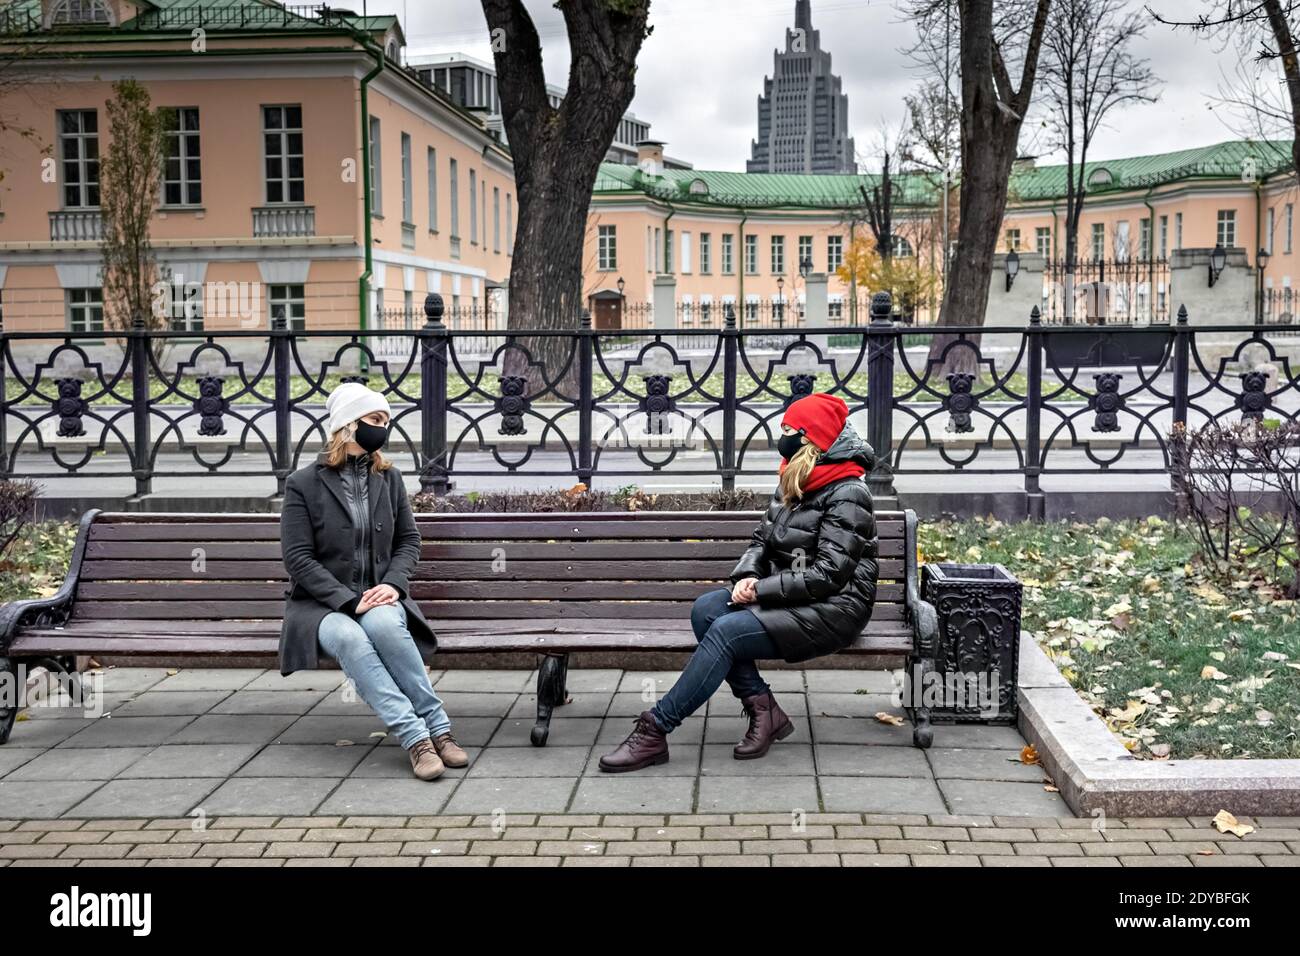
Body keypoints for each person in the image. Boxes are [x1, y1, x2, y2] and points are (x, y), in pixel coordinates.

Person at [598, 392, 879, 772]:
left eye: (789, 429)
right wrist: (747, 575)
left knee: (727, 631)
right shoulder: (794, 477)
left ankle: (655, 730)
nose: (782, 435)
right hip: (796, 595)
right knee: (706, 611)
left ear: (813, 438)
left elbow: (830, 575)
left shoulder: (848, 492)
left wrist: (761, 591)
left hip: (836, 607)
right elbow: (762, 541)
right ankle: (765, 710)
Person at [278, 382, 468, 781]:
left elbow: (408, 540)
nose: (383, 428)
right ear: (347, 426)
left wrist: (395, 586)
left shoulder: (389, 478)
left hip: (380, 596)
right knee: (351, 638)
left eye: (386, 420)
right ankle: (417, 738)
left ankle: (441, 729)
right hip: (321, 606)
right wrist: (347, 601)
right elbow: (298, 559)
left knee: (383, 624)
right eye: (375, 420)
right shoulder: (303, 485)